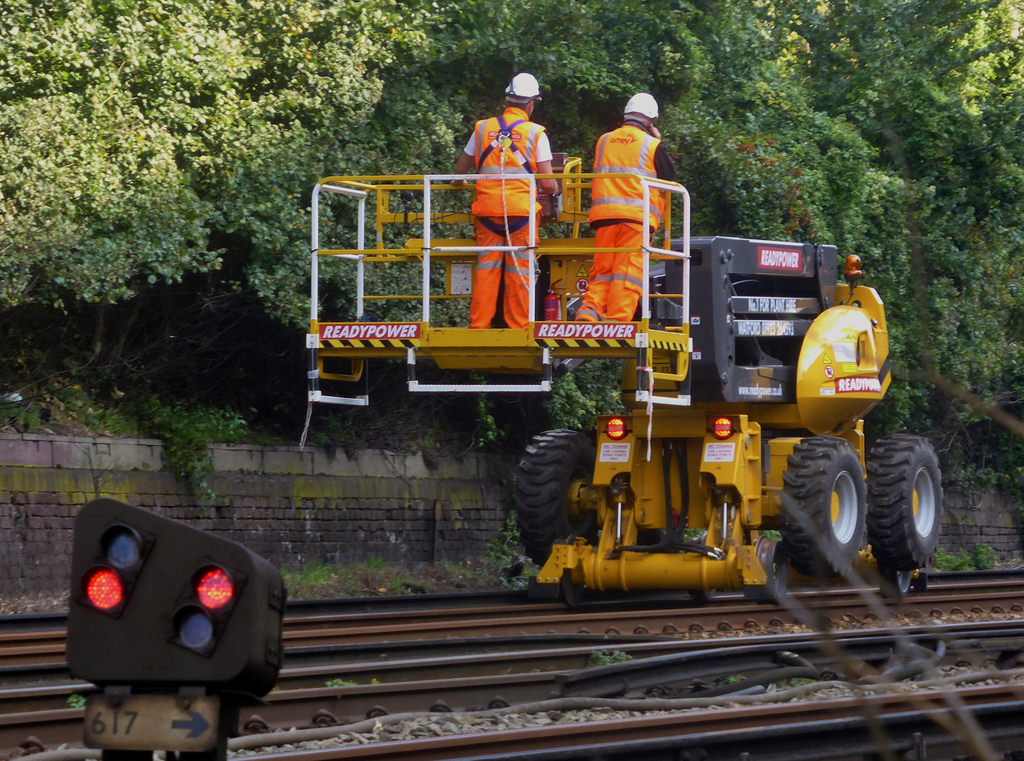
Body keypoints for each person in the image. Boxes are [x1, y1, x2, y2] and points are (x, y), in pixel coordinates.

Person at [454, 73, 559, 329]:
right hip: (521, 215)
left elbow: (458, 174)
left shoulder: (482, 129)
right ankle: (519, 327)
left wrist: (461, 183)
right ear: (531, 104)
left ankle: (479, 325)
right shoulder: (536, 134)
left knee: (487, 270)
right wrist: (554, 189)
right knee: (518, 273)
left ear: (508, 99)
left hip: (487, 213)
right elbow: (547, 184)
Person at [576, 93, 676, 323]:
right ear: (650, 121)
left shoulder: (604, 140)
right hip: (636, 219)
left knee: (603, 269)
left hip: (604, 217)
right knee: (627, 271)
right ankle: (618, 319)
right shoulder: (652, 145)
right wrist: (660, 141)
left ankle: (588, 312)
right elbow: (669, 176)